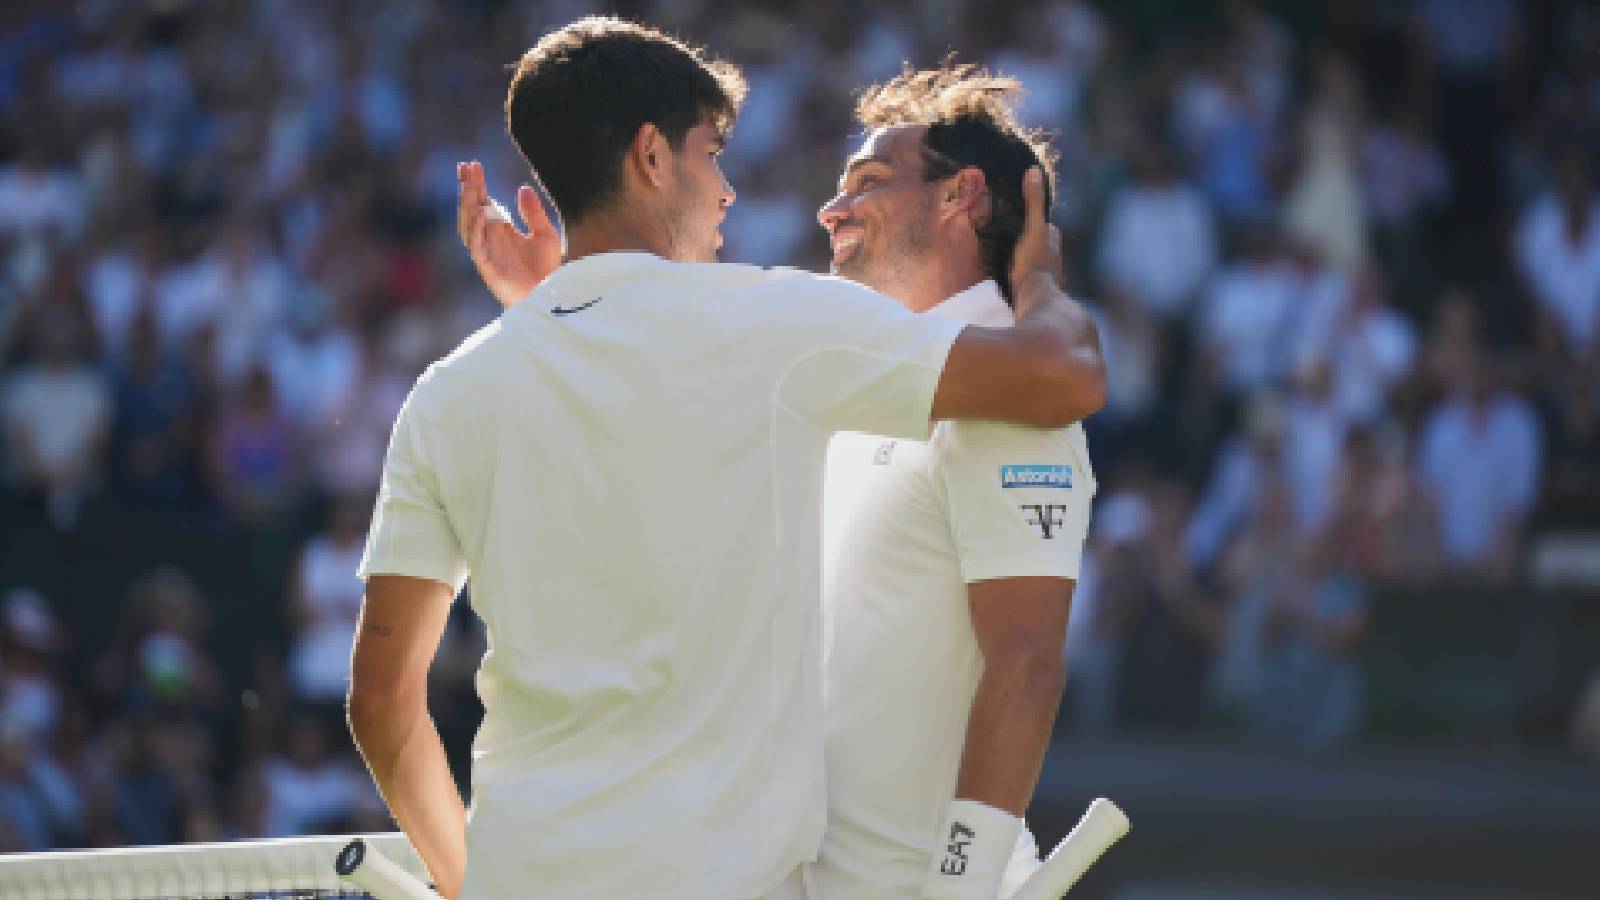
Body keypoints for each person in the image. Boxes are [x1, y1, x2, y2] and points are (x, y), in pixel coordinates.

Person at [351, 18, 1104, 900]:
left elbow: (381, 707)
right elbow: (1063, 374)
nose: (731, 190)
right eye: (711, 153)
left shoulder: (452, 390)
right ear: (652, 158)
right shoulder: (782, 336)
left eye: (865, 182)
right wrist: (1040, 280)